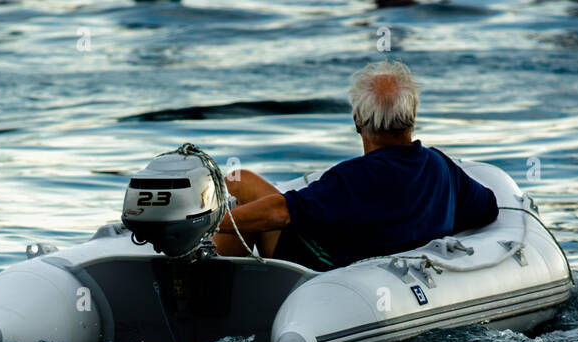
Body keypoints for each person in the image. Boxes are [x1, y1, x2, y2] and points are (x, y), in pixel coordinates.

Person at [213, 60, 499, 270]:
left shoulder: (353, 178)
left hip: (322, 266)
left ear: (357, 121)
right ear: (412, 116)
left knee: (241, 180)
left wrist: (207, 224)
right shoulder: (441, 167)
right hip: (390, 267)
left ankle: (209, 284)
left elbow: (280, 213)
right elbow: (488, 207)